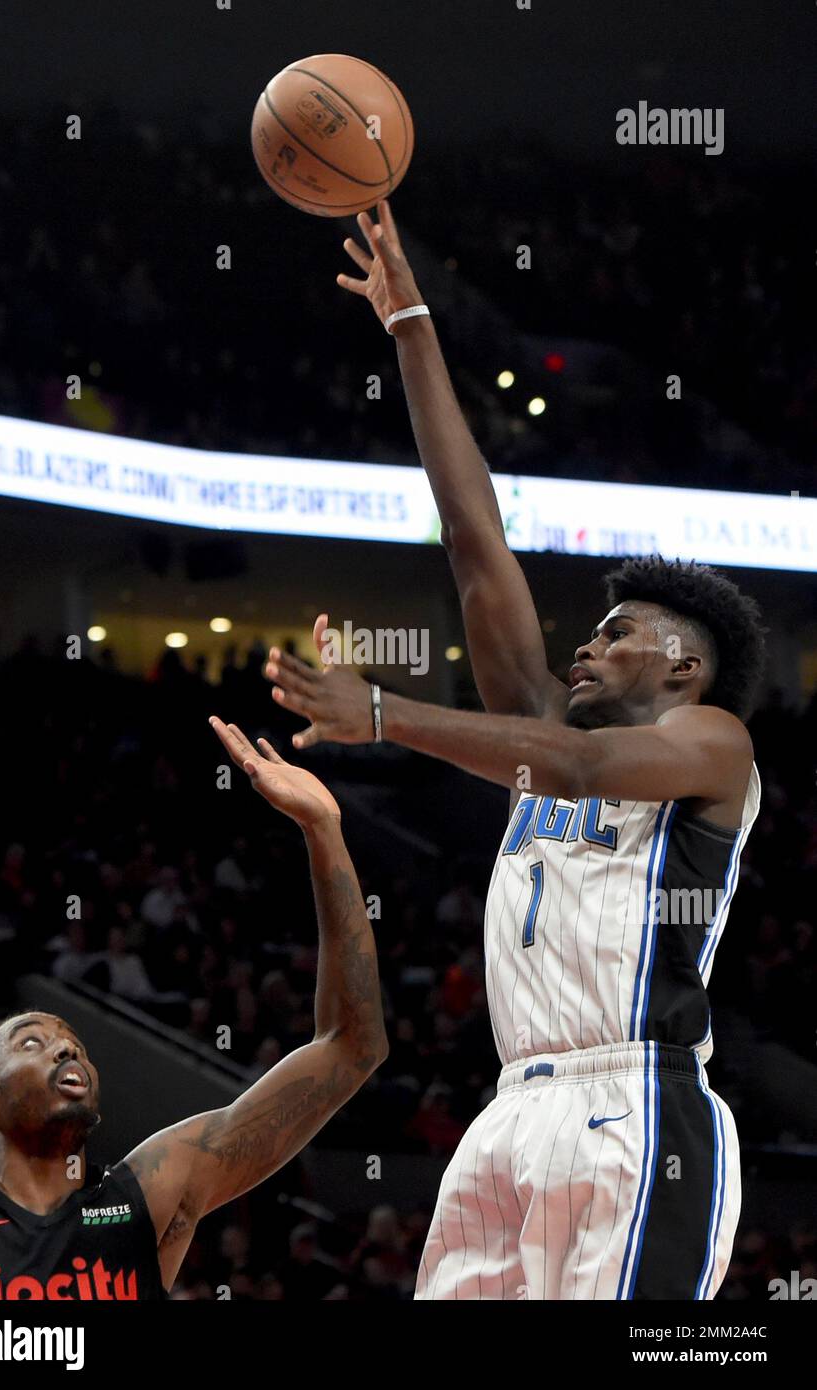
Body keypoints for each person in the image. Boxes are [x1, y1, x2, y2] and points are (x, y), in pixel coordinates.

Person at [261, 200, 766, 1300]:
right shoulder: (543, 726)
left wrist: (384, 715)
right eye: (589, 630)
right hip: (508, 1116)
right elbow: (474, 543)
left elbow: (581, 771)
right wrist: (411, 328)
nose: (587, 643)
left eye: (619, 633)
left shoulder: (711, 746)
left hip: (635, 1108)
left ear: (683, 668)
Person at [0, 721, 387, 1300]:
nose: (66, 1047)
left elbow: (353, 1046)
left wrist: (324, 831)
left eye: (71, 1041)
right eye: (31, 1042)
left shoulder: (143, 1199)